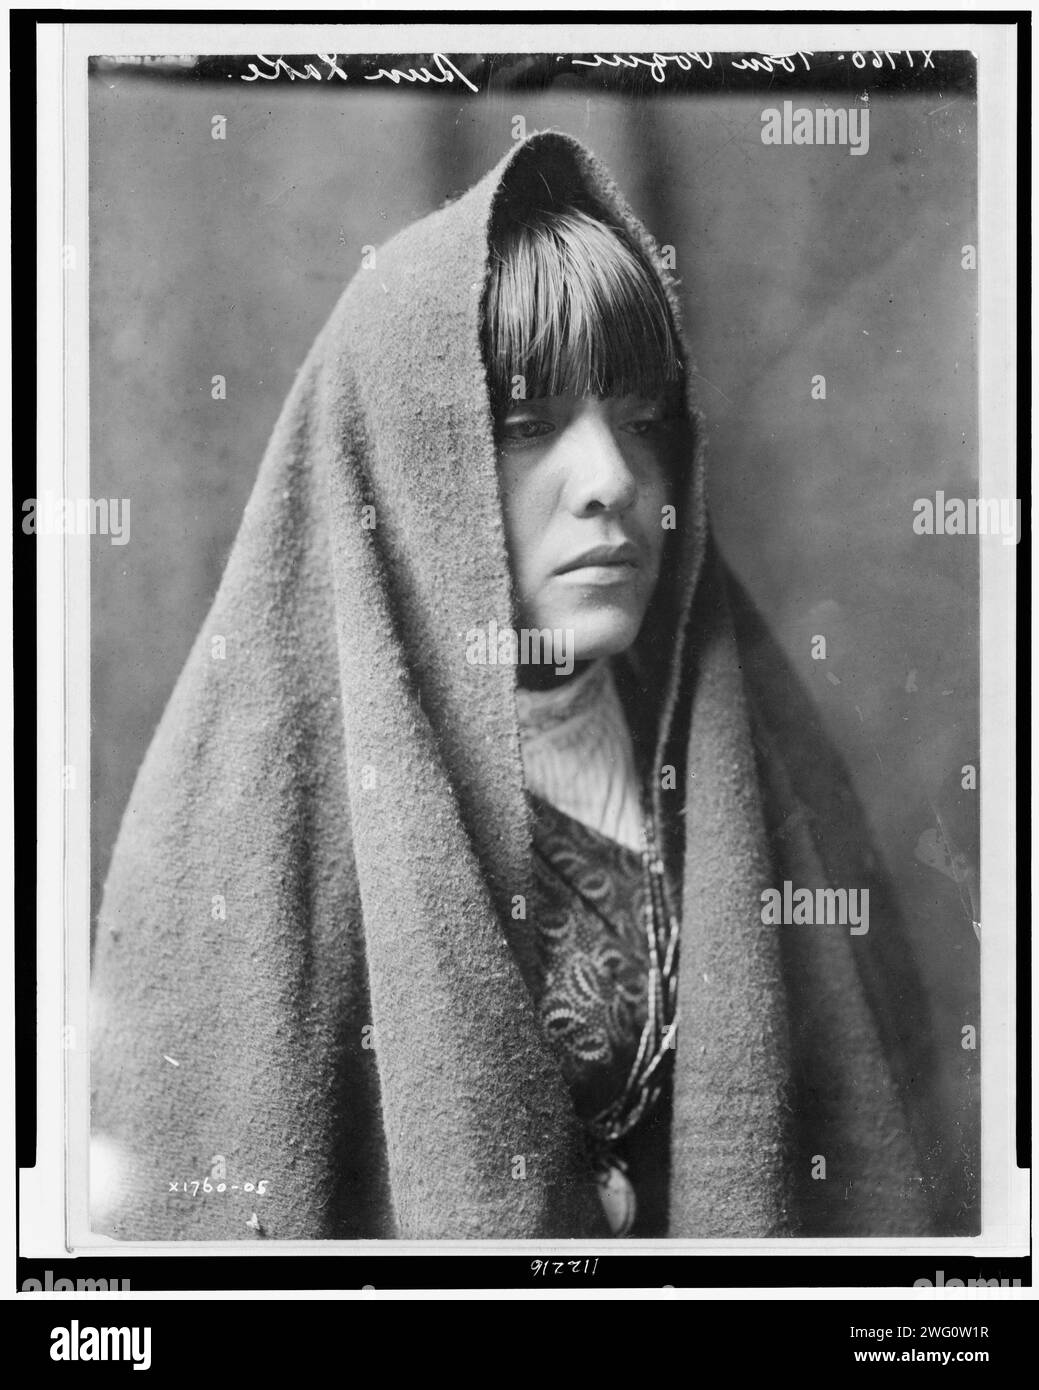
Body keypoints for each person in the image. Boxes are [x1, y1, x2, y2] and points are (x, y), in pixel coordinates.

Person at [91, 130, 947, 1241]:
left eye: (641, 423)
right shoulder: (247, 835)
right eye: (526, 426)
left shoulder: (734, 770)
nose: (611, 482)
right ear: (403, 469)